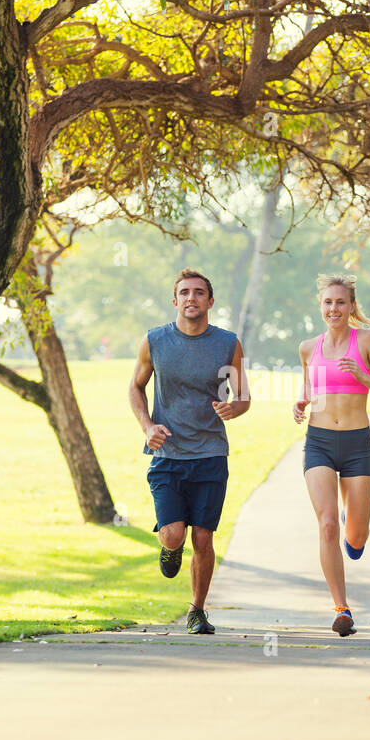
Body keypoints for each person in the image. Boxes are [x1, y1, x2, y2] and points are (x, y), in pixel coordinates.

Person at [129, 269, 250, 635]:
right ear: (175, 300)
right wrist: (148, 426)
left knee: (203, 538)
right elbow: (135, 387)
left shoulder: (228, 343)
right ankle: (170, 546)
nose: (191, 298)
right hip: (167, 455)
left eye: (199, 293)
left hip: (211, 454)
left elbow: (243, 396)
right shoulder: (155, 341)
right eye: (184, 292)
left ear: (210, 302)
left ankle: (196, 611)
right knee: (173, 534)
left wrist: (235, 408)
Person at [294, 273, 370, 637]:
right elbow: (310, 387)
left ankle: (354, 533)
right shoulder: (309, 347)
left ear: (351, 306)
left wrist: (363, 376)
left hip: (356, 446)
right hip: (319, 441)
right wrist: (302, 402)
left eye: (340, 302)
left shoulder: (367, 340)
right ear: (320, 306)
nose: (333, 308)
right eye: (327, 302)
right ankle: (341, 608)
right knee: (326, 525)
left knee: (356, 534)